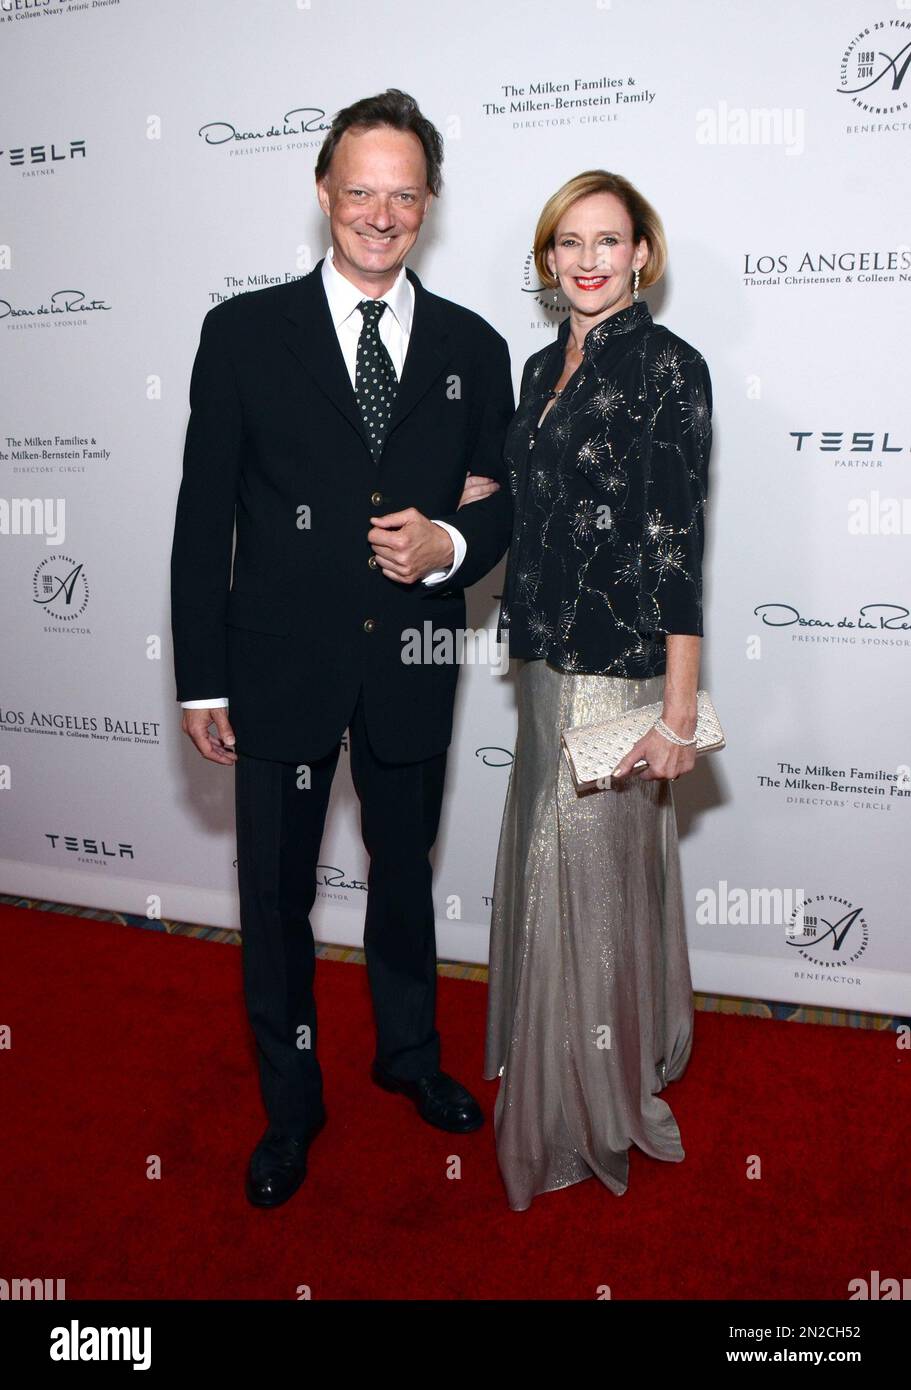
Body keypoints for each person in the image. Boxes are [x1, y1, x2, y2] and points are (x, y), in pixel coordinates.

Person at [170, 89, 514, 1208]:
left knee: (401, 878)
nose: (379, 212)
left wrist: (449, 538)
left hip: (410, 660)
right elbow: (201, 514)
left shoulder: (473, 344)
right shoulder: (241, 332)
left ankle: (408, 1056)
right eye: (358, 189)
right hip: (275, 666)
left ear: (429, 204)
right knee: (274, 897)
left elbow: (506, 504)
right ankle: (292, 1104)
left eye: (402, 193)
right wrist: (202, 675)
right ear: (323, 190)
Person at [479, 169, 713, 1212]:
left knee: (585, 880)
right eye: (566, 241)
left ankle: (581, 1105)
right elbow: (514, 501)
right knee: (568, 873)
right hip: (538, 659)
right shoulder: (539, 367)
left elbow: (674, 545)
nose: (585, 259)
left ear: (639, 254)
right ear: (546, 256)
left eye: (605, 241)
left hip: (615, 669)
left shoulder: (670, 368)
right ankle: (577, 1055)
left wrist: (675, 713)